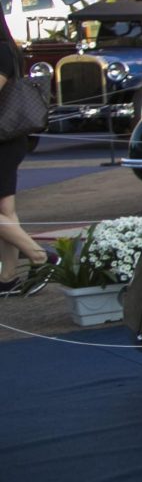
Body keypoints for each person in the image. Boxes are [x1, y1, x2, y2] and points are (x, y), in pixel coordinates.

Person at [0, 22, 49, 295]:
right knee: (6, 211)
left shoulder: (2, 51)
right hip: (7, 139)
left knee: (5, 212)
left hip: (5, 139)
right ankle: (8, 277)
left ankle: (40, 255)